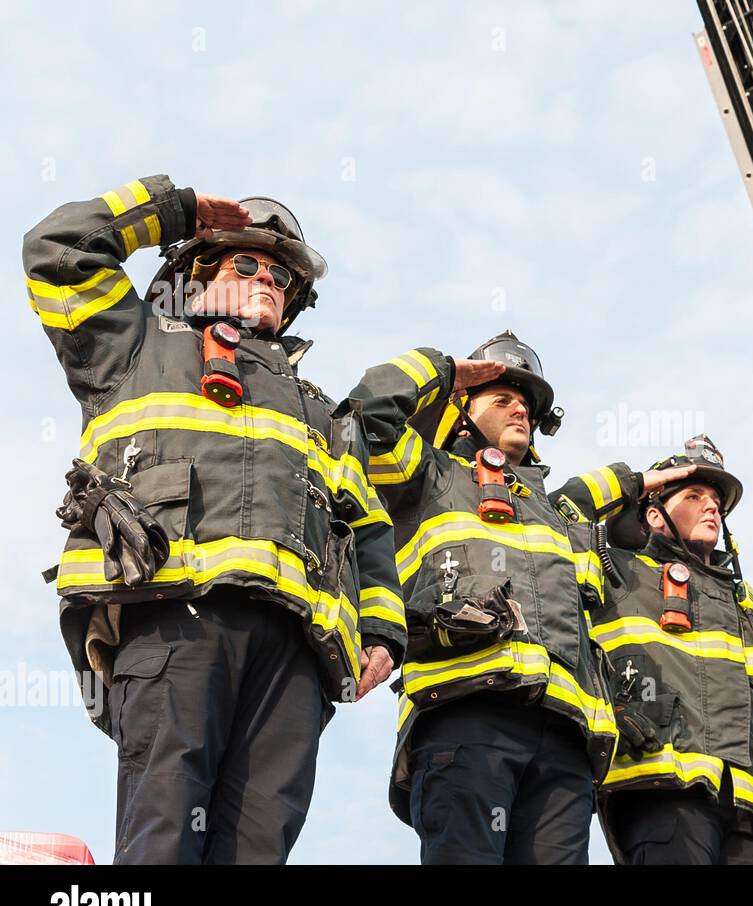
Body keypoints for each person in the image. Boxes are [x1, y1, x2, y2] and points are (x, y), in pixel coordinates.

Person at [24, 176, 405, 863]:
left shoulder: (318, 411)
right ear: (192, 278)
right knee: (164, 832)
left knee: (258, 847)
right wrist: (176, 209)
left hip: (294, 654)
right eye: (247, 262)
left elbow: (367, 523)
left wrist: (379, 626)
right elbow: (59, 248)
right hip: (175, 618)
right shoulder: (135, 343)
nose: (270, 279)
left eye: (284, 275)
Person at [349, 330, 692, 864]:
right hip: (466, 713)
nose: (519, 412)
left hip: (564, 738)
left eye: (527, 406)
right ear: (461, 410)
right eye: (502, 399)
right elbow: (364, 417)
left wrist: (631, 481)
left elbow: (579, 500)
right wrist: (443, 371)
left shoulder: (550, 511)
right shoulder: (427, 474)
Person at [580, 434, 753, 864]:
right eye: (694, 495)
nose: (712, 506)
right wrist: (634, 483)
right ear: (655, 515)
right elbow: (552, 516)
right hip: (662, 791)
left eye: (717, 499)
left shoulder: (746, 604)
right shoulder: (617, 573)